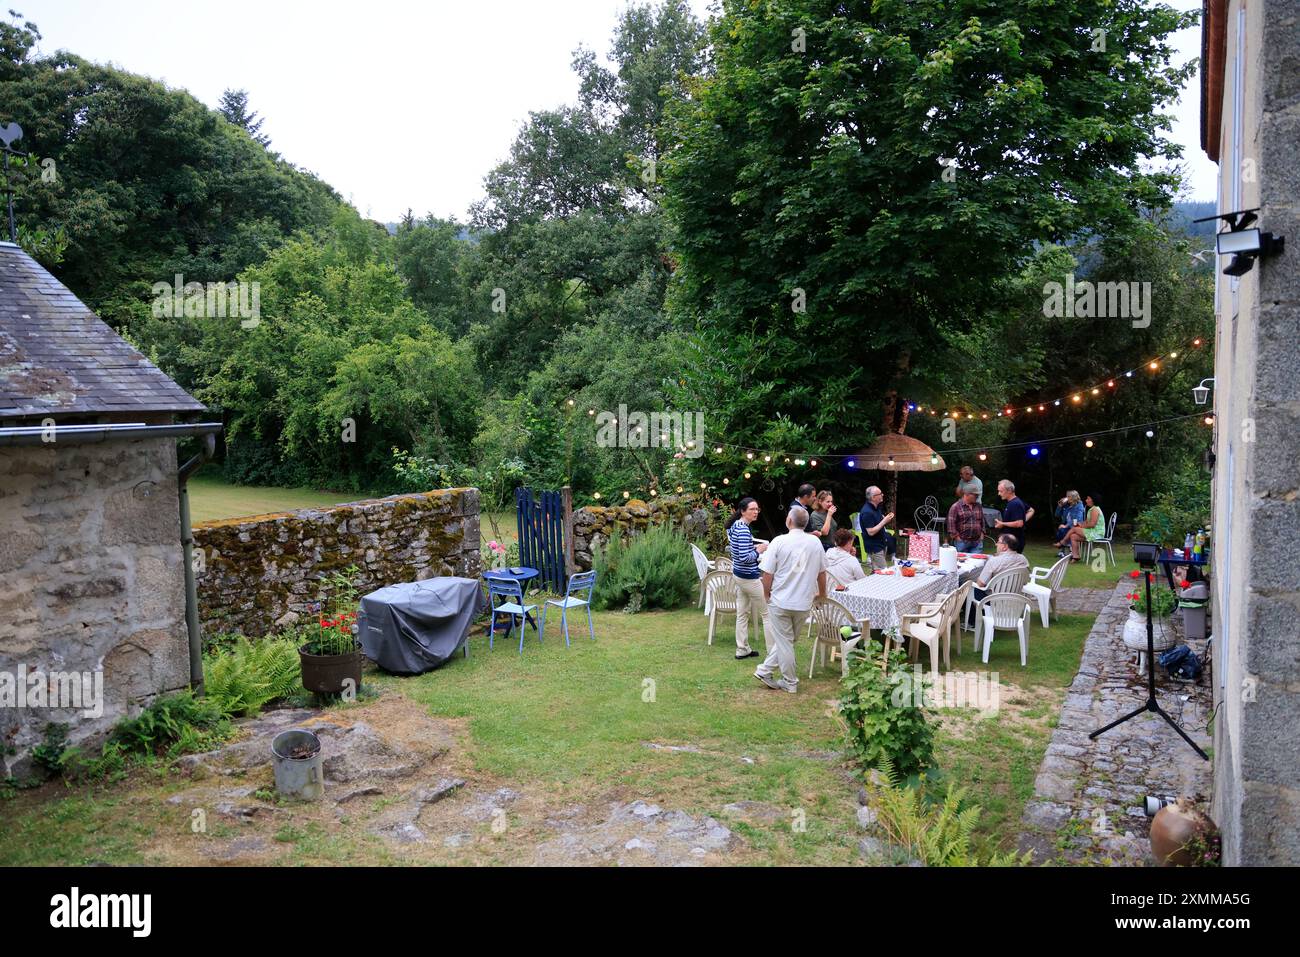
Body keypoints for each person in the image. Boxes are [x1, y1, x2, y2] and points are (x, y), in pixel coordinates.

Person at [754, 506, 827, 694]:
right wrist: (822, 594)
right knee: (788, 640)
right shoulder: (815, 543)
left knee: (786, 641)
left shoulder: (779, 541)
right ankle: (765, 670)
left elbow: (767, 573)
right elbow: (822, 573)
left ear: (789, 521)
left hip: (781, 601)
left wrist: (766, 594)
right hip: (803, 602)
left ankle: (789, 682)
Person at [725, 497, 769, 659]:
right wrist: (759, 550)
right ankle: (773, 654)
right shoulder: (743, 530)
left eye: (757, 509)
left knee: (742, 613)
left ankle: (742, 649)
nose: (756, 512)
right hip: (749, 577)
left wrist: (753, 547)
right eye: (752, 509)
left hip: (739, 575)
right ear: (743, 511)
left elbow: (738, 550)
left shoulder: (736, 526)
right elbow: (744, 558)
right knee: (767, 615)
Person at [964, 533, 1030, 627]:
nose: (996, 544)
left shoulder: (994, 561)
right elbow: (1025, 581)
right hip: (1015, 599)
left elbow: (980, 584)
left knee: (967, 588)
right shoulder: (1023, 559)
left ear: (1005, 547)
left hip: (993, 600)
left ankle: (972, 621)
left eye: (998, 542)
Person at [857, 485, 896, 570]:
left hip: (881, 544)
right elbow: (870, 532)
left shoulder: (876, 507)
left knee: (876, 571)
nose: (882, 495)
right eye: (880, 494)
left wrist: (885, 518)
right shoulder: (867, 512)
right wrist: (884, 521)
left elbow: (877, 523)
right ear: (873, 497)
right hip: (874, 547)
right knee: (883, 571)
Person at [1060, 493, 1106, 562]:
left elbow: (1092, 524)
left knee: (1074, 529)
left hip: (1097, 533)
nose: (1086, 500)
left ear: (1093, 500)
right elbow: (1086, 522)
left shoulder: (1095, 510)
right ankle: (1076, 556)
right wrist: (1080, 524)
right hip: (1092, 532)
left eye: (1088, 499)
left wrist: (1081, 526)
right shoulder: (1091, 509)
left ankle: (1063, 542)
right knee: (1073, 536)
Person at [993, 479, 1029, 552]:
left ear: (1009, 491)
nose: (999, 494)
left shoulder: (1015, 503)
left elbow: (1019, 523)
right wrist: (1001, 525)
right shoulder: (1011, 502)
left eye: (1001, 491)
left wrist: (1002, 523)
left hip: (1013, 543)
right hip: (1009, 542)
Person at [946, 488, 985, 553]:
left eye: (977, 495)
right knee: (962, 560)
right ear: (966, 494)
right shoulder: (956, 506)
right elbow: (951, 525)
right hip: (962, 542)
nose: (977, 497)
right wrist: (957, 538)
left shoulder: (978, 506)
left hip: (977, 542)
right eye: (975, 495)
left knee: (976, 559)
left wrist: (982, 534)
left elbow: (982, 521)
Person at [1052, 491, 1086, 555]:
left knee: (1064, 531)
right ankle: (1063, 550)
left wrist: (1066, 526)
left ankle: (1069, 550)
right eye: (1067, 496)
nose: (1067, 498)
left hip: (1076, 526)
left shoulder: (1079, 506)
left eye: (1068, 496)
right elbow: (1057, 515)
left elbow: (1077, 519)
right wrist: (1060, 506)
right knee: (1060, 531)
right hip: (1068, 526)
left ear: (1073, 497)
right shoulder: (1067, 506)